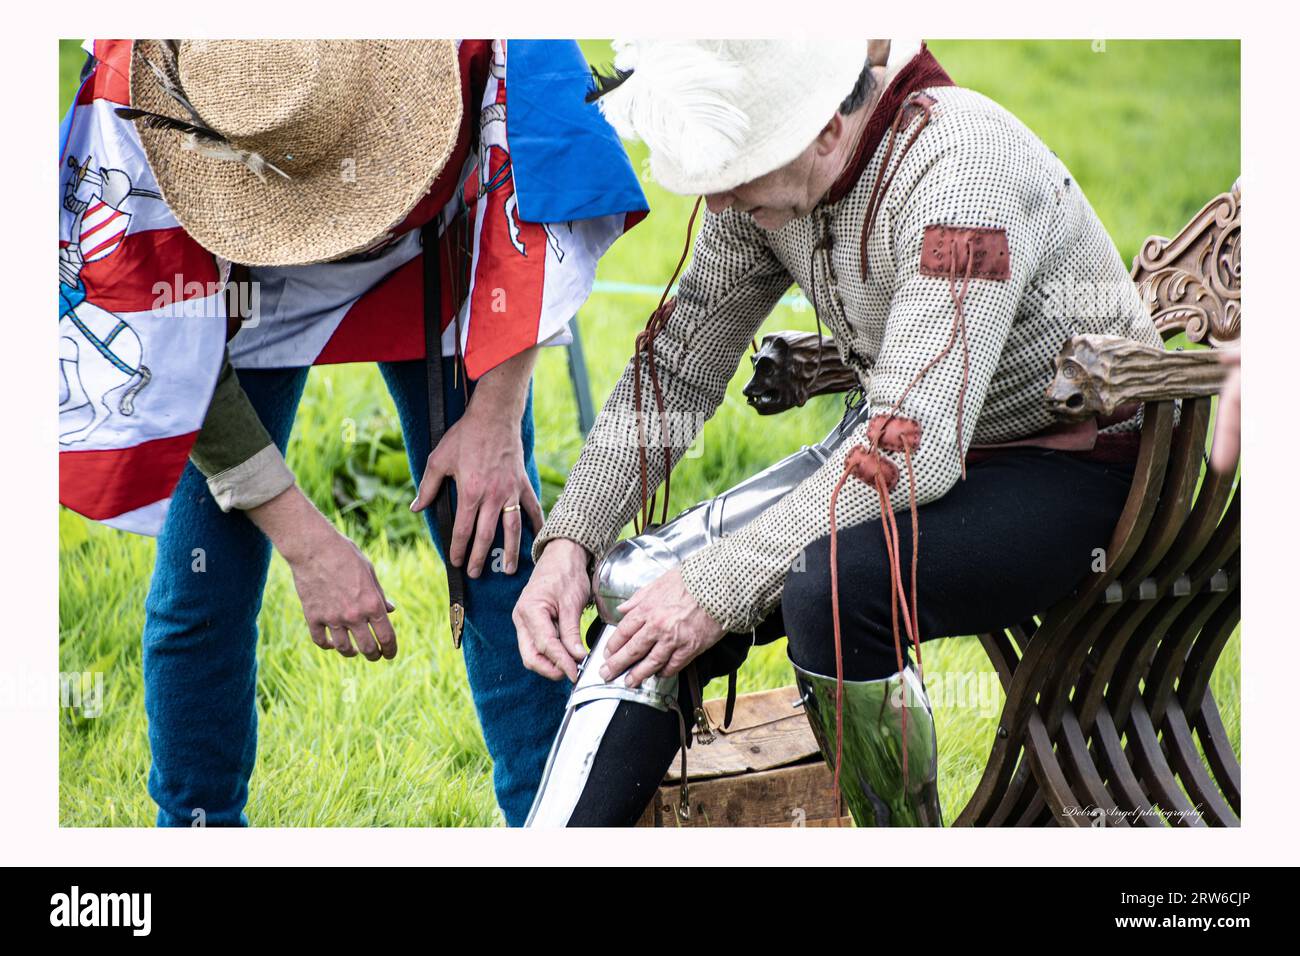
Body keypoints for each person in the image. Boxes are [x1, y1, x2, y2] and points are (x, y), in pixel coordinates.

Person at [515, 39, 1163, 826]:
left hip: (1077, 471)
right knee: (636, 588)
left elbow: (906, 455)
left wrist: (718, 587)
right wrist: (572, 540)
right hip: (913, 443)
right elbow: (678, 366)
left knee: (832, 587)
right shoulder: (766, 178)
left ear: (826, 128)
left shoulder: (966, 173)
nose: (715, 206)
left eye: (734, 179)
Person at [62, 38, 645, 826]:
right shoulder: (138, 82)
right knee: (206, 575)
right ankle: (194, 832)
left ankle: (560, 823)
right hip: (233, 275)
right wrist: (304, 540)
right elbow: (155, 333)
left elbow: (544, 208)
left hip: (435, 240)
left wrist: (496, 419)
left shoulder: (498, 38)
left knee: (495, 541)